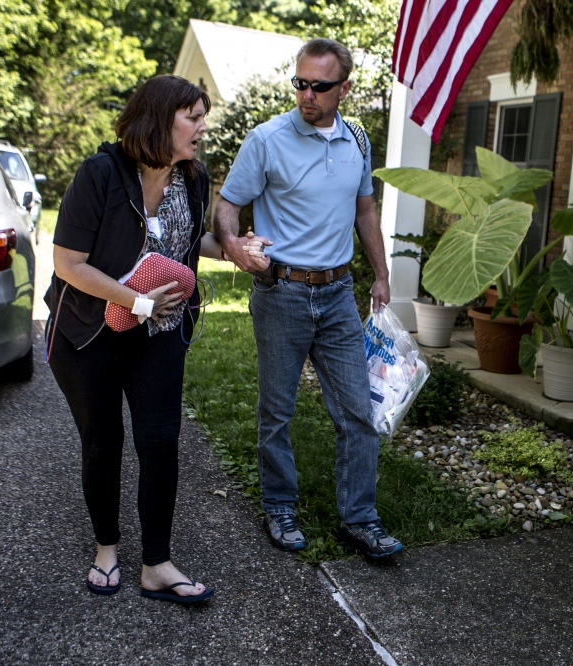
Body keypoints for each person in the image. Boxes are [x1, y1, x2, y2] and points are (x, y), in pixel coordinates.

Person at [45, 75, 267, 602]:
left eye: (202, 115)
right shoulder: (101, 173)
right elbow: (67, 263)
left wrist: (235, 249)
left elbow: (192, 240)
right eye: (193, 115)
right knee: (103, 443)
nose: (203, 126)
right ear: (158, 119)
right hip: (90, 331)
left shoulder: (192, 175)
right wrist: (136, 301)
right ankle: (106, 549)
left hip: (161, 331)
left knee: (160, 443)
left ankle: (157, 565)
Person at [214, 38, 403, 558]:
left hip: (339, 293)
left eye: (319, 86)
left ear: (345, 88)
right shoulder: (267, 139)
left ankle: (360, 518)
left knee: (358, 412)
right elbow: (228, 204)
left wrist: (380, 274)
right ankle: (279, 506)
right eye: (299, 83)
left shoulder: (358, 141)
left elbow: (365, 211)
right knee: (277, 411)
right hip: (282, 293)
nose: (306, 95)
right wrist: (233, 246)